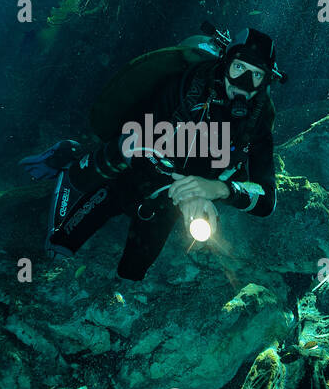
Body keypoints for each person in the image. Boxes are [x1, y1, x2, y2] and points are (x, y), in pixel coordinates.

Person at [20, 27, 283, 281]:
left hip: (169, 202)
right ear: (225, 64)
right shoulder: (186, 88)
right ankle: (71, 157)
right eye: (239, 68)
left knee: (132, 274)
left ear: (265, 81)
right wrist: (192, 191)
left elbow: (267, 200)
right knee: (59, 245)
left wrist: (219, 189)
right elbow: (139, 142)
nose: (245, 83)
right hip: (133, 176)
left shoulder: (257, 125)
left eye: (256, 75)